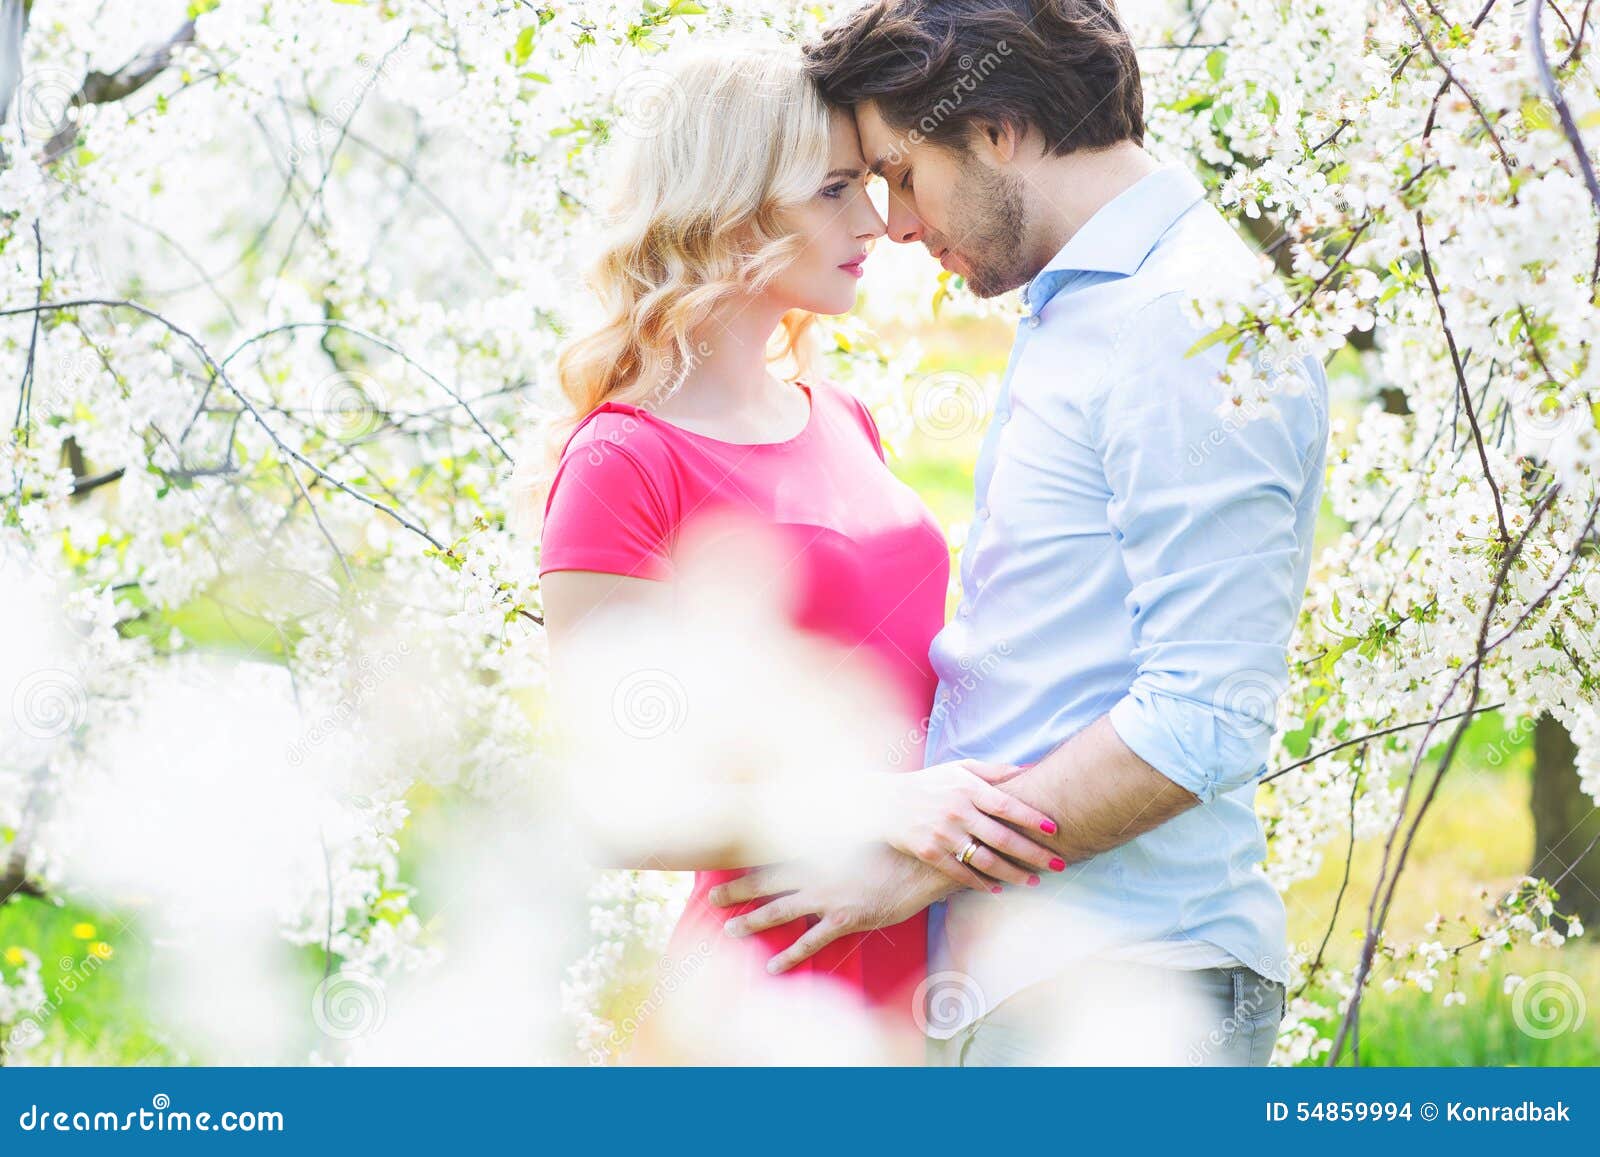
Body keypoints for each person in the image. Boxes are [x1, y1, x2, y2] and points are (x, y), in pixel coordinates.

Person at [713, 0, 1329, 1067]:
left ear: (996, 129)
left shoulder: (1182, 319)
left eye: (901, 174)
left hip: (1133, 985)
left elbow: (1201, 717)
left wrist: (923, 865)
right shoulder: (1087, 305)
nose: (893, 223)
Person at [534, 43, 1064, 1052]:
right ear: (728, 207)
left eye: (867, 186)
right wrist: (876, 805)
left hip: (933, 952)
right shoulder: (623, 461)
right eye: (832, 191)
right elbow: (610, 804)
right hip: (772, 979)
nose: (874, 221)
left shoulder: (843, 417)